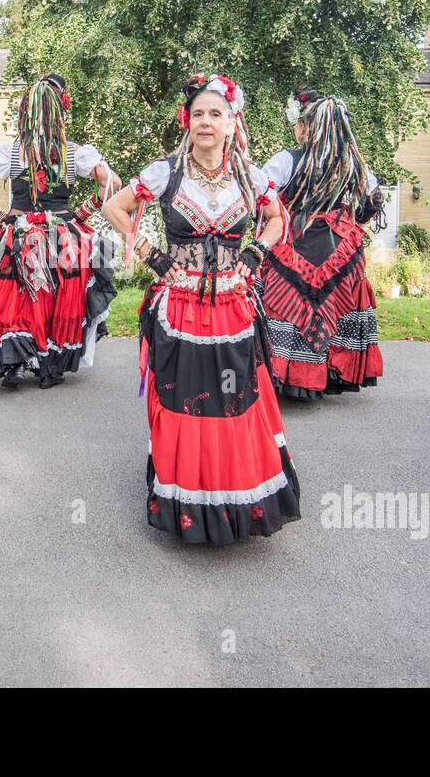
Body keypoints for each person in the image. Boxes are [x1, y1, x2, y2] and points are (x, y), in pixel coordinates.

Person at [102, 73, 300, 544]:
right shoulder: (165, 172)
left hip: (234, 305)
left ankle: (236, 497)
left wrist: (257, 253)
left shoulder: (252, 178)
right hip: (180, 306)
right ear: (187, 123)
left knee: (236, 404)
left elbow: (277, 218)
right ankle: (187, 499)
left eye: (216, 114)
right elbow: (115, 208)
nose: (206, 122)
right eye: (198, 115)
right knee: (182, 403)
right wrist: (152, 255)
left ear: (233, 123)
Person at [0, 74, 122, 389]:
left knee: (15, 295)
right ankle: (50, 368)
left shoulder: (10, 152)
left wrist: (0, 216)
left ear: (26, 111)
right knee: (58, 298)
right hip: (63, 236)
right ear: (60, 110)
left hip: (19, 232)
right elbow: (113, 184)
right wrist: (83, 211)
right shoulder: (74, 153)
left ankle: (13, 361)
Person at [258, 90, 385, 399]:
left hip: (292, 247)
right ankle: (327, 372)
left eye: (298, 124)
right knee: (332, 308)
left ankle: (288, 373)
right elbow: (372, 204)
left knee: (285, 308)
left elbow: (260, 199)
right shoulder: (356, 165)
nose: (295, 130)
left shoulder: (287, 160)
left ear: (306, 126)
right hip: (340, 253)